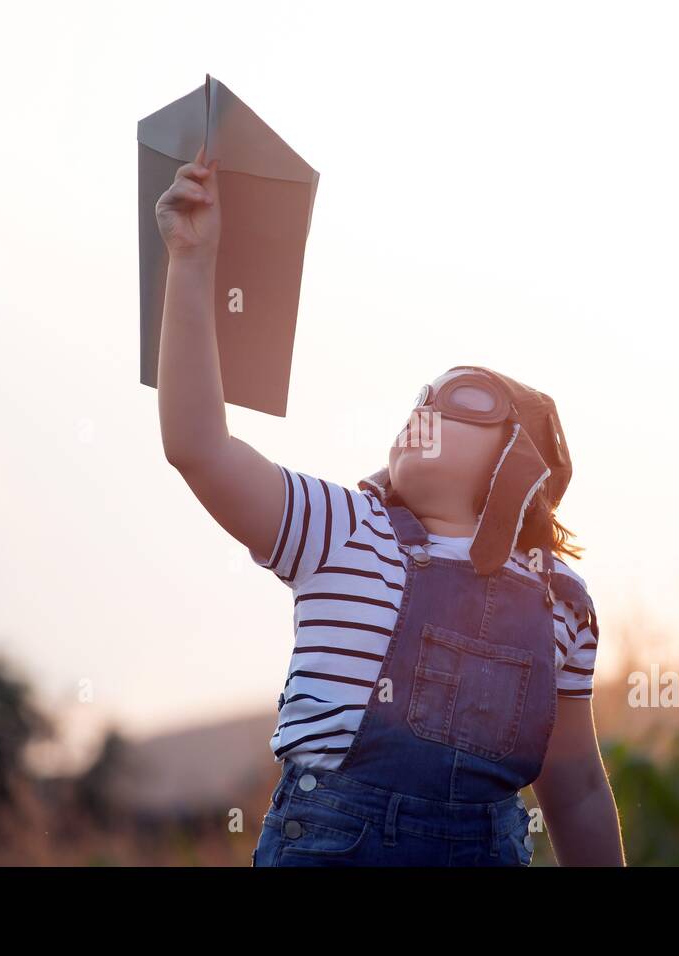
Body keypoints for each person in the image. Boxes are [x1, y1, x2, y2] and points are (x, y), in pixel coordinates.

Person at [155, 149, 625, 866]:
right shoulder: (339, 529)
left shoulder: (562, 602)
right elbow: (199, 447)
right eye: (419, 396)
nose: (426, 405)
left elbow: (578, 785)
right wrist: (191, 261)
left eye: (463, 397)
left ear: (517, 464)